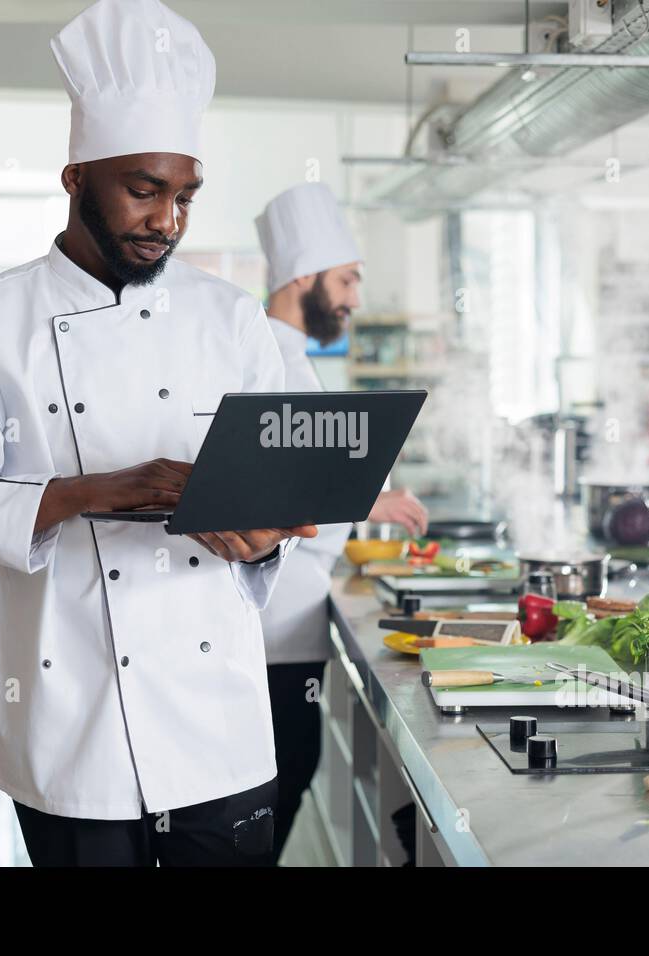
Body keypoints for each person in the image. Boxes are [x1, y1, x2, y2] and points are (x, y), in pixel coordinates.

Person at [0, 0, 316, 867]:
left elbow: (294, 491)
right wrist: (87, 493)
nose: (167, 221)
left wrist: (262, 538)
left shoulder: (233, 323)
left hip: (215, 721)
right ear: (76, 176)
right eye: (144, 190)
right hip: (65, 722)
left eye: (184, 197)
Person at [254, 182, 428, 860]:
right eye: (348, 279)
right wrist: (366, 500)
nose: (356, 298)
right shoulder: (268, 358)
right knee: (271, 798)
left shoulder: (292, 357)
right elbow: (262, 490)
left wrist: (362, 496)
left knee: (280, 793)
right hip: (270, 635)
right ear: (306, 275)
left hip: (290, 625)